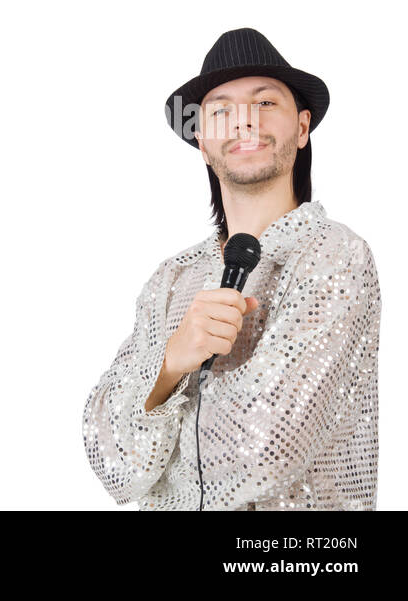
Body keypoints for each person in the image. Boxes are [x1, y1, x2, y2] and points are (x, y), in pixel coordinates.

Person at [83, 28, 379, 510]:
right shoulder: (170, 280)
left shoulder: (334, 256)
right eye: (221, 110)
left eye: (264, 104)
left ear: (302, 128)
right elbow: (113, 466)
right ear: (202, 142)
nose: (243, 122)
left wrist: (155, 423)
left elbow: (265, 450)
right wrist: (172, 363)